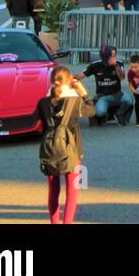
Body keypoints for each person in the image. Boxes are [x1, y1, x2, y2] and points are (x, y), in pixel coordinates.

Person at [37, 66, 90, 224]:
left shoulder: (43, 103)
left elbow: (36, 121)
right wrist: (83, 92)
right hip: (72, 150)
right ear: (69, 82)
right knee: (72, 192)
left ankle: (54, 222)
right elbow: (93, 111)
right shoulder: (75, 101)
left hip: (50, 151)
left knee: (53, 191)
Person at [82, 46, 133, 125]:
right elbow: (81, 75)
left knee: (129, 100)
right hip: (103, 97)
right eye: (110, 56)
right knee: (100, 112)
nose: (112, 57)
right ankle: (106, 115)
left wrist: (115, 66)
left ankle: (119, 113)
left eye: (114, 55)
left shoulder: (119, 63)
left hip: (118, 94)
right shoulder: (95, 65)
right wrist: (68, 78)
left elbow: (122, 77)